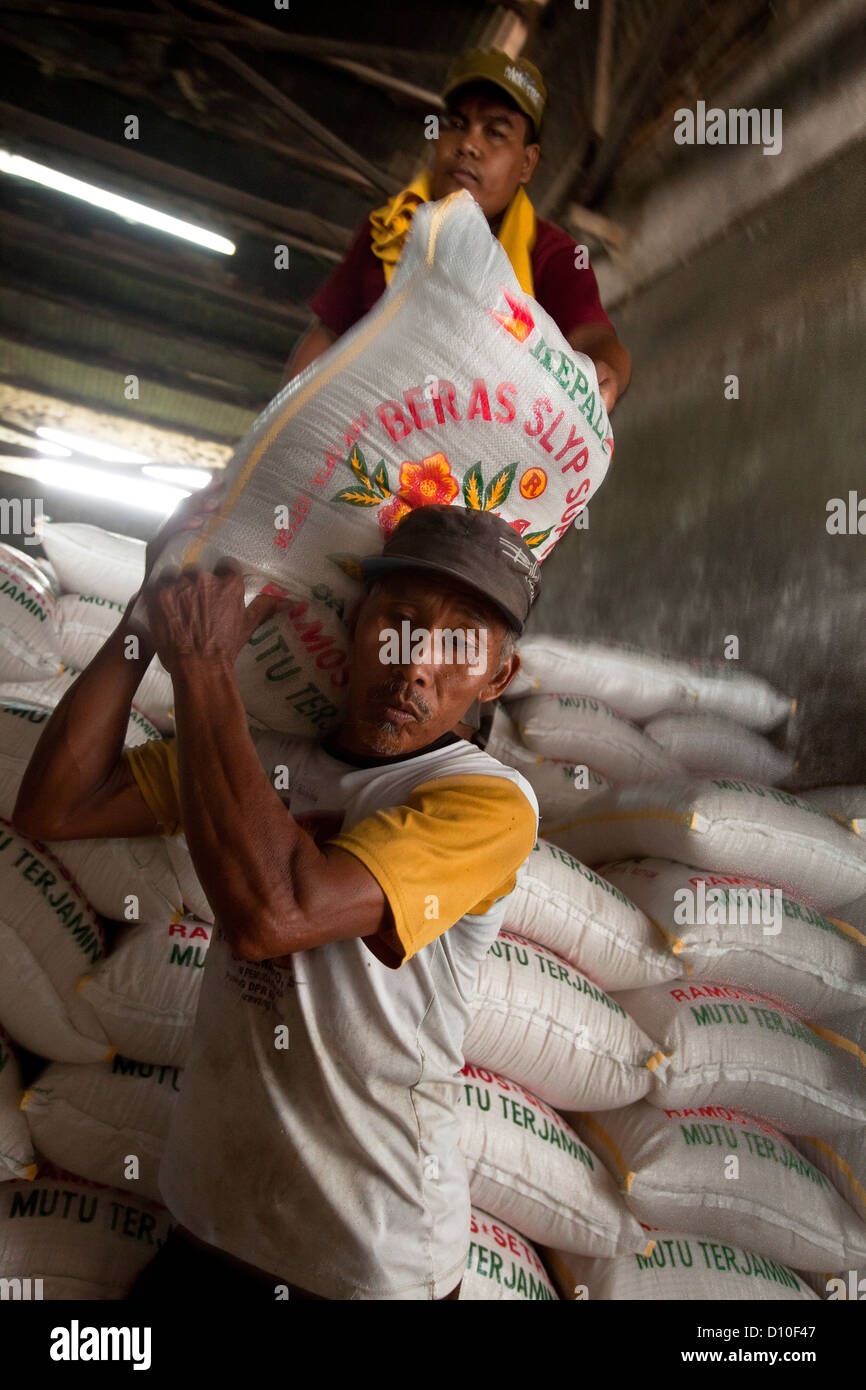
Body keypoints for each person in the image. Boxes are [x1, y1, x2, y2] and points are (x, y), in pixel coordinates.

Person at [13, 479, 541, 1301]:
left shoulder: (486, 803)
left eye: (460, 647)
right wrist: (141, 629)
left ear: (497, 676)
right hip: (208, 1224)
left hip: (361, 1261)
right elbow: (56, 806)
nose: (416, 667)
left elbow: (274, 914)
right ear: (355, 627)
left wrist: (203, 666)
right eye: (398, 625)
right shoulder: (257, 754)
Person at [283, 47, 631, 414]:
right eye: (457, 125)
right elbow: (327, 335)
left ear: (527, 163)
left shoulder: (554, 256)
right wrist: (279, 429)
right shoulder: (385, 233)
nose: (467, 144)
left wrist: (603, 372)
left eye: (495, 132)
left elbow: (595, 338)